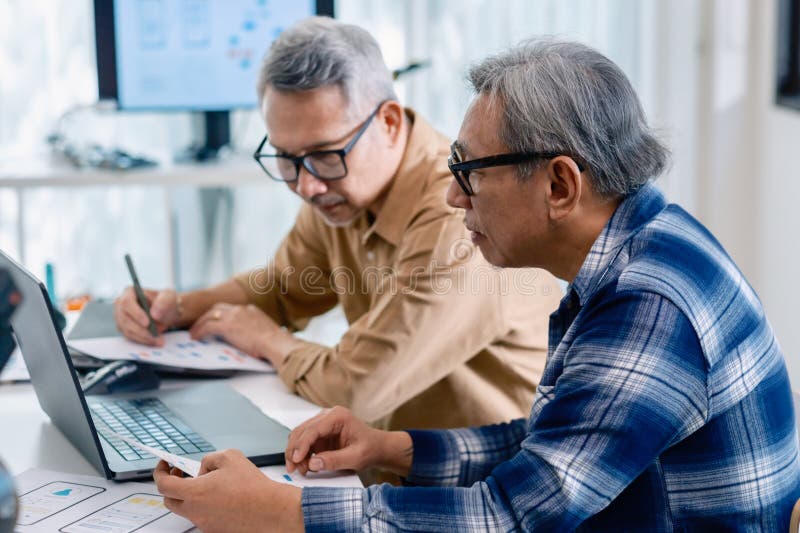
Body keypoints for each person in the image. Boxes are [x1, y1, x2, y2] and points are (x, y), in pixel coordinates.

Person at [153, 39, 800, 531]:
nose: (452, 192)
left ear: (559, 185)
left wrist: (281, 510)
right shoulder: (633, 252)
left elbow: (509, 516)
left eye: (471, 170)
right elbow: (548, 440)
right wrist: (396, 447)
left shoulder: (651, 305)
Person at [113, 16, 561, 432]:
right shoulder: (336, 189)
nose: (305, 186)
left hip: (476, 488)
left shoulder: (459, 212)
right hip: (384, 464)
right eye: (286, 159)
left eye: (325, 155)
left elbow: (355, 390)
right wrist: (179, 308)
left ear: (387, 122)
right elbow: (283, 289)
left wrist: (268, 340)